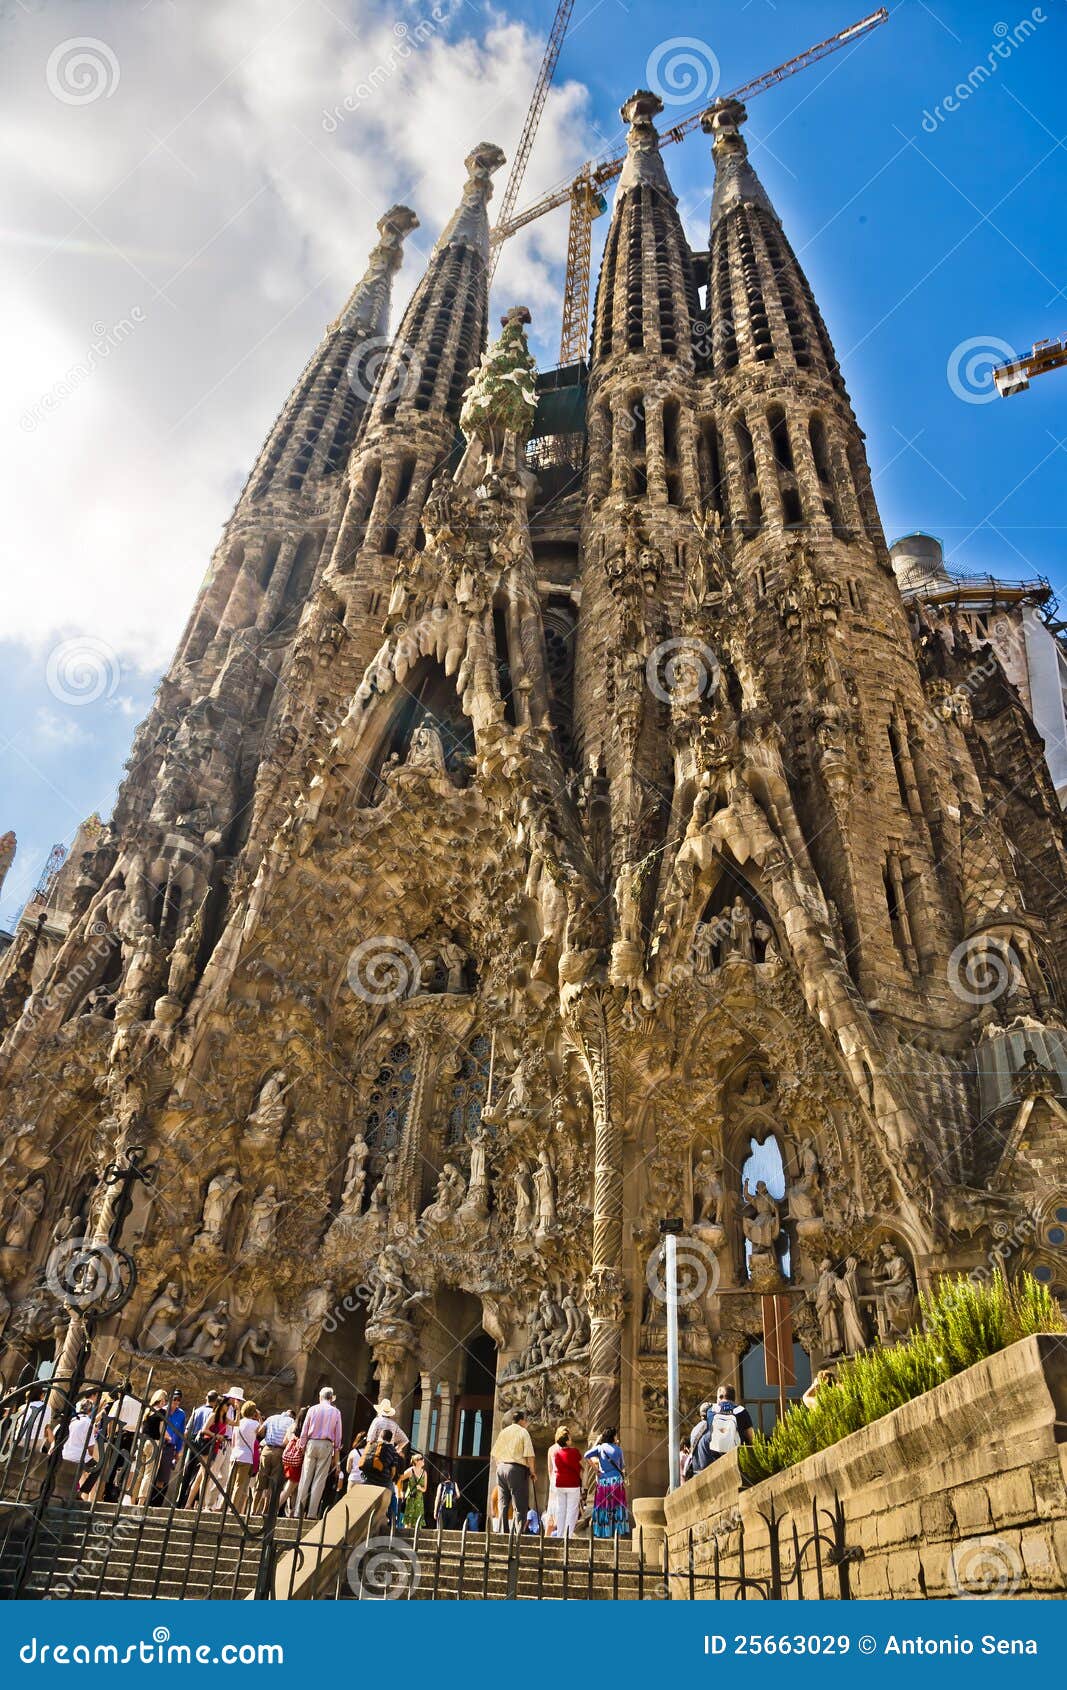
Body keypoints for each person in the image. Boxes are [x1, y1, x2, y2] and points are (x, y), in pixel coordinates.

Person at [295, 1385, 342, 1520]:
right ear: (331, 1398)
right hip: (327, 1445)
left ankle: (298, 1511)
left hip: (311, 1442)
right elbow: (338, 1435)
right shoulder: (336, 1412)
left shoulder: (313, 1409)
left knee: (305, 1478)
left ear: (320, 1397)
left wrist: (302, 1446)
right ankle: (311, 1513)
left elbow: (304, 1429)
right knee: (319, 1480)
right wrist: (336, 1451)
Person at [690, 1383, 754, 1475]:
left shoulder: (711, 1410)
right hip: (735, 1456)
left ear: (720, 1397)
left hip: (714, 1456)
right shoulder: (742, 1411)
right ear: (733, 1397)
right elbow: (751, 1437)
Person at [490, 1408, 535, 1533]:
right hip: (516, 1469)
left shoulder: (504, 1432)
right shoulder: (523, 1432)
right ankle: (518, 1532)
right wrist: (532, 1471)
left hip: (501, 1468)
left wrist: (500, 1465)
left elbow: (494, 1453)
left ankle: (503, 1531)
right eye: (525, 1421)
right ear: (521, 1421)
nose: (526, 1423)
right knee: (519, 1503)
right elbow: (529, 1455)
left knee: (503, 1502)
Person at [583, 1427, 630, 1539]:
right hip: (616, 1482)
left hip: (603, 1482)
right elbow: (622, 1466)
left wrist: (595, 1469)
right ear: (613, 1436)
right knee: (617, 1506)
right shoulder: (618, 1449)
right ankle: (617, 1533)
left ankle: (604, 1532)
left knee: (603, 1506)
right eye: (616, 1435)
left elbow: (586, 1455)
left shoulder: (600, 1448)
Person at [177, 1390, 220, 1506]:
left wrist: (186, 1445)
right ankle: (193, 1503)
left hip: (192, 1445)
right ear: (216, 1401)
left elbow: (187, 1431)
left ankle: (180, 1501)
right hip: (206, 1446)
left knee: (187, 1473)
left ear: (206, 1398)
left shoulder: (197, 1411)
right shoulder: (214, 1414)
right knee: (199, 1475)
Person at [129, 1390, 168, 1507]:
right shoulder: (162, 1412)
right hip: (153, 1443)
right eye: (165, 1400)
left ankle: (132, 1500)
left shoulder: (147, 1410)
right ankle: (141, 1501)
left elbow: (141, 1428)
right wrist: (168, 1438)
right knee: (149, 1473)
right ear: (161, 1400)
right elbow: (162, 1431)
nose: (165, 1402)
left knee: (139, 1472)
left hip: (142, 1442)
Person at [255, 1404, 296, 1514]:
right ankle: (265, 1511)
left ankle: (253, 1510)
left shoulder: (271, 1418)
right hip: (279, 1451)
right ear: (292, 1416)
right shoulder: (292, 1422)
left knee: (260, 1482)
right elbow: (290, 1438)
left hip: (266, 1450)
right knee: (272, 1484)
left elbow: (260, 1432)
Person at [359, 1426, 404, 1524]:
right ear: (390, 1439)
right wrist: (389, 1479)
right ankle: (393, 1521)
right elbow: (393, 1470)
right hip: (383, 1478)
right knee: (392, 1496)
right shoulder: (392, 1450)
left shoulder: (373, 1444)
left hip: (369, 1475)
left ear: (380, 1436)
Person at [57, 1398, 97, 1500]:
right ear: (90, 1410)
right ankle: (82, 1491)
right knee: (97, 1467)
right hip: (79, 1455)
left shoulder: (71, 1420)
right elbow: (91, 1447)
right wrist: (89, 1457)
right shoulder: (88, 1422)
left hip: (65, 1453)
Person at [547, 1425, 582, 1540]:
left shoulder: (554, 1452)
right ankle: (568, 1535)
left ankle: (560, 1534)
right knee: (572, 1510)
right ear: (567, 1440)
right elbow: (579, 1466)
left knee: (560, 1509)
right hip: (572, 1483)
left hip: (557, 1482)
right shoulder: (574, 1451)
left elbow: (550, 1470)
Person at [228, 1400, 262, 1514]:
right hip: (246, 1457)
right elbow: (262, 1432)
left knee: (230, 1483)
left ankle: (224, 1506)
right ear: (254, 1412)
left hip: (234, 1455)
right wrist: (259, 1418)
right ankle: (232, 1509)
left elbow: (233, 1441)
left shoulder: (238, 1423)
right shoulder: (255, 1424)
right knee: (239, 1485)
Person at [153, 1390, 185, 1506]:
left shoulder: (181, 1414)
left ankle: (155, 1505)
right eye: (175, 1399)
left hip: (170, 1447)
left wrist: (178, 1451)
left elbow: (180, 1433)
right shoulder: (162, 1410)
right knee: (152, 1474)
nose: (176, 1402)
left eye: (179, 1400)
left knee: (163, 1477)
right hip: (158, 1444)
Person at [279, 1407, 309, 1516]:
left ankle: (290, 1513)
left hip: (290, 1459)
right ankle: (274, 1509)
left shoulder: (292, 1426)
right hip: (299, 1461)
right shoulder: (306, 1428)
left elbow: (284, 1442)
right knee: (290, 1488)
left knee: (293, 1488)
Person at [399, 1450, 427, 1528]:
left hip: (419, 1500)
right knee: (408, 1522)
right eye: (421, 1459)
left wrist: (420, 1488)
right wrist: (400, 1491)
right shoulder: (410, 1471)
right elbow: (399, 1479)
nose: (423, 1460)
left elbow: (425, 1489)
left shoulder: (424, 1473)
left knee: (418, 1522)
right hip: (410, 1498)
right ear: (416, 1461)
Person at [433, 1462, 462, 1530]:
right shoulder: (454, 1484)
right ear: (449, 1476)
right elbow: (458, 1495)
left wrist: (435, 1511)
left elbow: (437, 1498)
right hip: (453, 1510)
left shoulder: (441, 1485)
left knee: (441, 1528)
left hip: (443, 1509)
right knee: (450, 1529)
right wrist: (452, 1498)